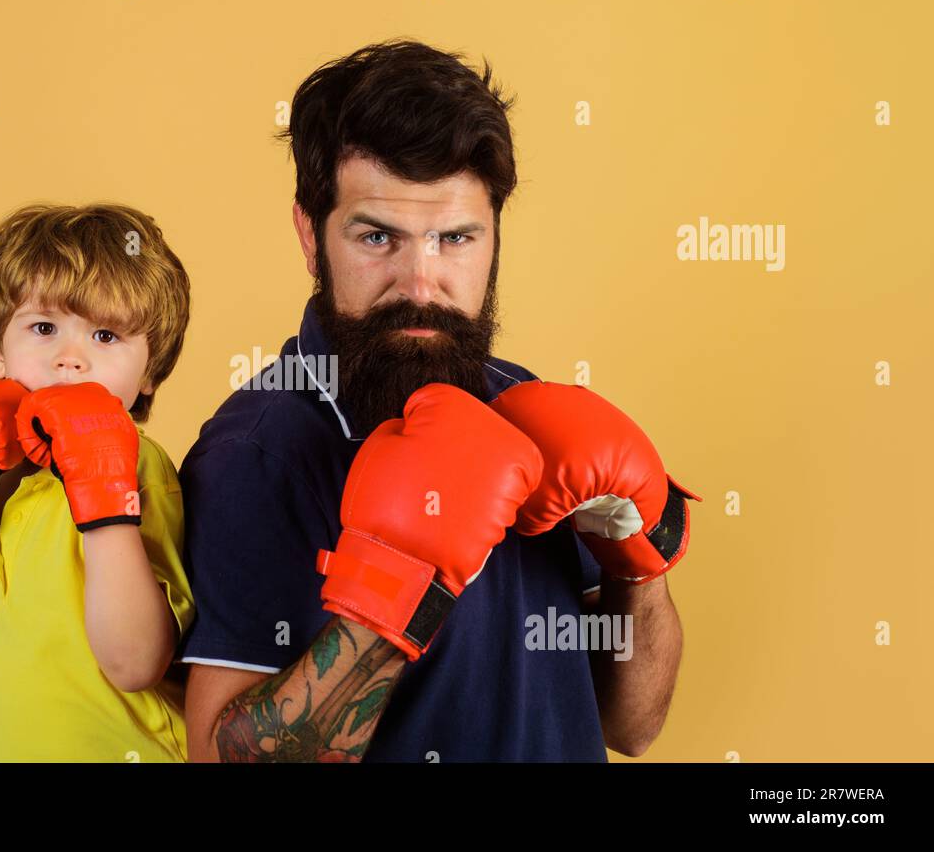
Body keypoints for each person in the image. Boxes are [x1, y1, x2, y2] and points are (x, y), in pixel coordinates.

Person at [177, 40, 694, 762]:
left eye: (455, 237)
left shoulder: (530, 409)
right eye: (378, 236)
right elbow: (216, 756)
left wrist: (637, 563)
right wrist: (392, 596)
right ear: (309, 234)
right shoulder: (258, 454)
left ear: (494, 239)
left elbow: (631, 726)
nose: (421, 282)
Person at [0, 203, 195, 762]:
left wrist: (104, 501)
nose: (71, 358)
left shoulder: (138, 466)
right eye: (44, 327)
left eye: (105, 336)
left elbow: (134, 663)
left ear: (150, 371)